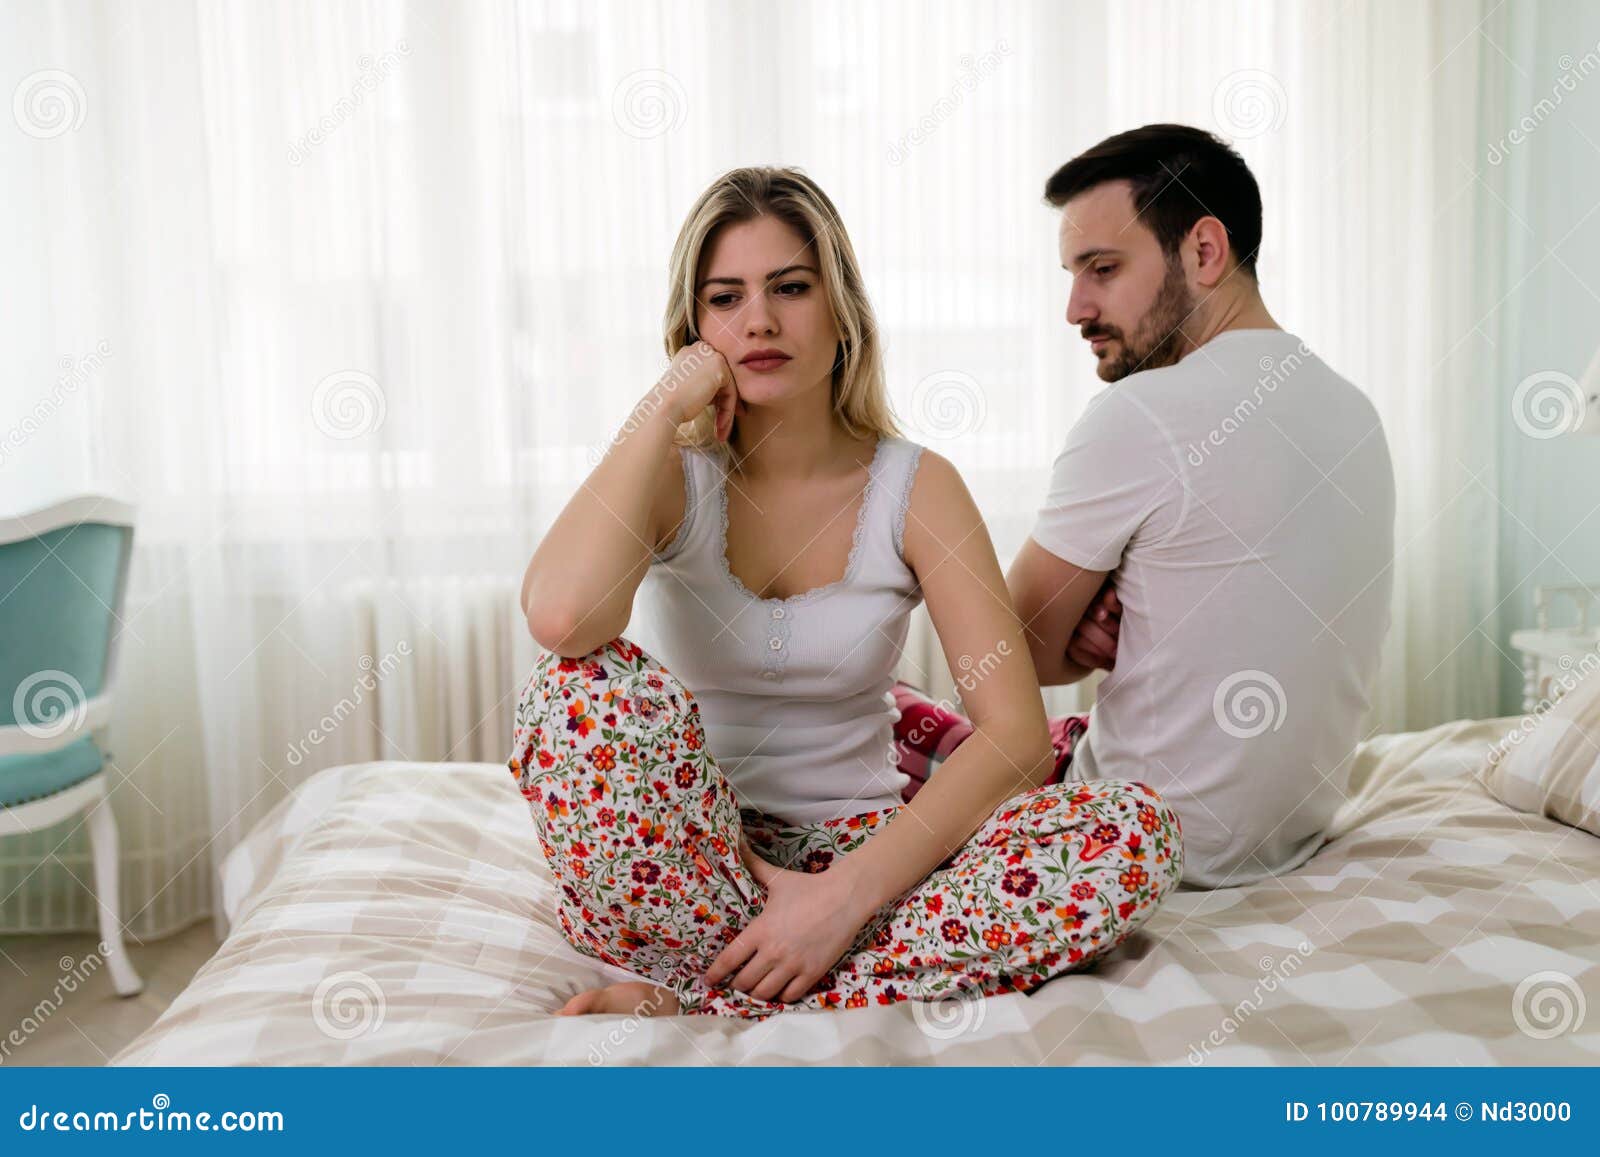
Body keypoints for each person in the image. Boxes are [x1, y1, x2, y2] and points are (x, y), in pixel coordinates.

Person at [509, 165, 1183, 1019]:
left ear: (842, 311)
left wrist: (844, 896)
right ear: (693, 328)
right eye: (725, 298)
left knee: (1134, 834)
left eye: (791, 287)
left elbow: (1015, 737)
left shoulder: (920, 487)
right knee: (575, 689)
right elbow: (563, 617)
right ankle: (789, 966)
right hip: (689, 855)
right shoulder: (673, 476)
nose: (759, 320)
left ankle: (715, 991)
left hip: (866, 856)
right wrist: (665, 401)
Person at [900, 124, 1396, 891]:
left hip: (1136, 843)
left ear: (1204, 251)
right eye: (1072, 274)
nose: (1075, 307)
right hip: (1287, 835)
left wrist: (1078, 631)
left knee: (880, 713)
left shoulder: (1143, 413)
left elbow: (1001, 660)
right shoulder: (1354, 409)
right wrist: (1110, 617)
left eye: (1103, 269)